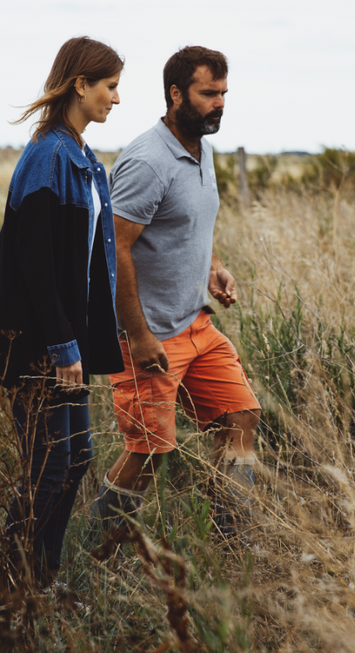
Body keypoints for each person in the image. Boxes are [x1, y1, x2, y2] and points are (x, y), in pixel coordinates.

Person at [0, 37, 124, 588]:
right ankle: (11, 585)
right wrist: (61, 344)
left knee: (74, 459)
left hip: (62, 339)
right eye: (109, 86)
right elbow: (34, 263)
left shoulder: (80, 157)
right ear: (80, 84)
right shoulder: (49, 156)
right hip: (38, 343)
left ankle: (40, 580)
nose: (116, 99)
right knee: (51, 466)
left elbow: (78, 265)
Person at [88, 45, 261, 548]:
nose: (220, 103)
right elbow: (114, 250)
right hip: (149, 334)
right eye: (209, 93)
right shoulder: (147, 161)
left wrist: (214, 266)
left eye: (224, 94)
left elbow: (191, 222)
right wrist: (138, 336)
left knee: (240, 416)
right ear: (176, 93)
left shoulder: (202, 148)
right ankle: (97, 556)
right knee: (149, 450)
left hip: (196, 325)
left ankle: (230, 544)